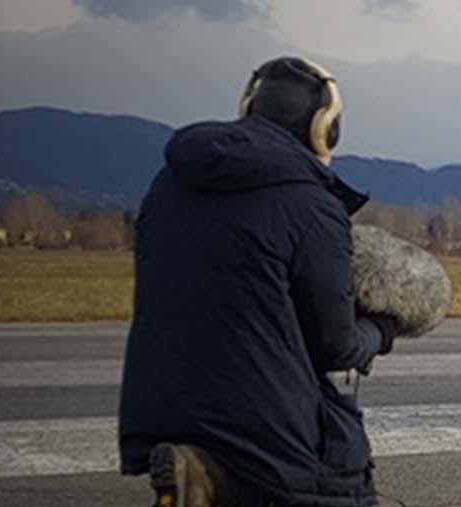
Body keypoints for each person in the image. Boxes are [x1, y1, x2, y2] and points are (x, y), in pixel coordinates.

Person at [119, 56, 395, 507]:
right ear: (325, 127)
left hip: (161, 409)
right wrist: (383, 329)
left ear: (249, 107)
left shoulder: (168, 182)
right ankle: (222, 473)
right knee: (343, 479)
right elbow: (335, 346)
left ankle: (207, 473)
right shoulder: (310, 202)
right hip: (261, 422)